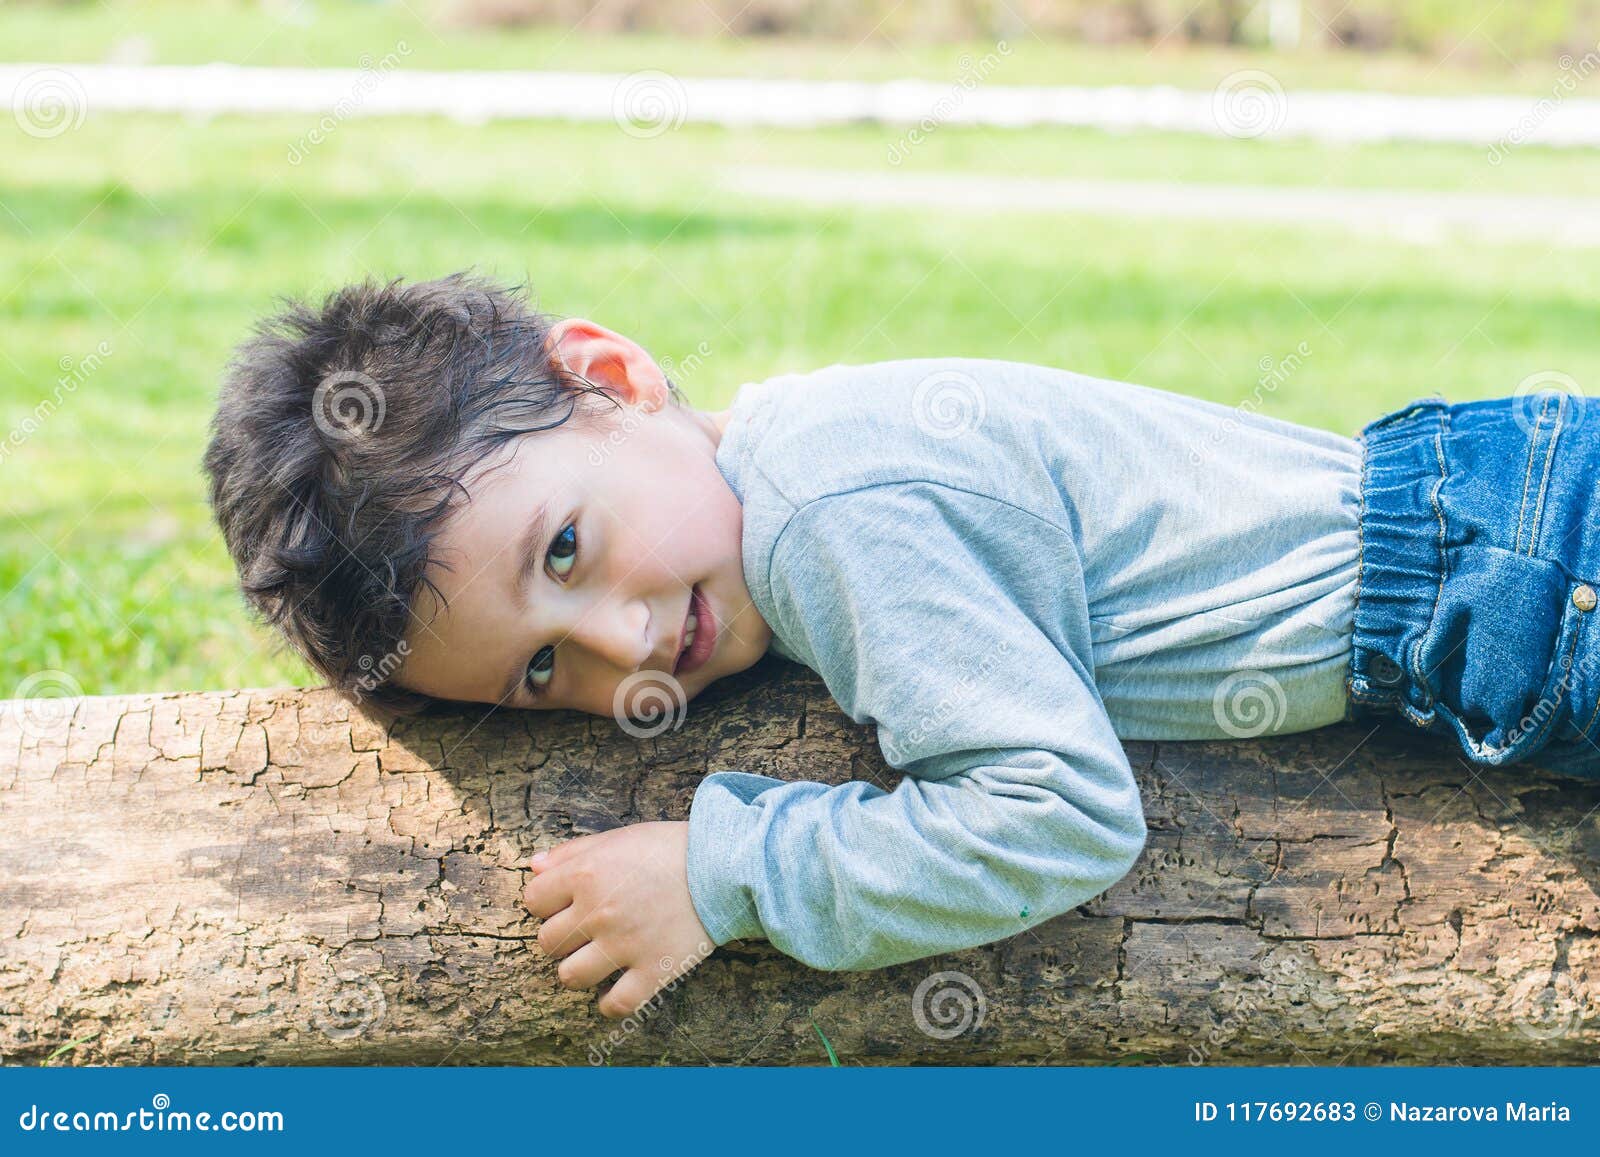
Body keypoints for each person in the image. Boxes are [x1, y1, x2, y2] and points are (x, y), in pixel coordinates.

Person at [202, 269, 1600, 1019]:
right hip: (1505, 526)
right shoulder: (815, 455)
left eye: (564, 548)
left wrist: (724, 868)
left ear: (611, 376)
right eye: (539, 671)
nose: (622, 642)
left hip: (1531, 588)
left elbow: (1056, 812)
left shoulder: (825, 511)